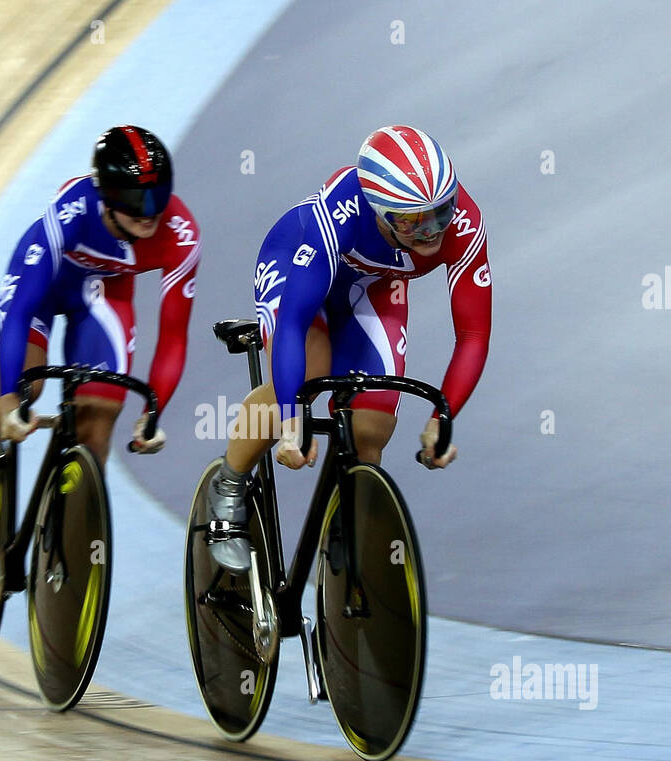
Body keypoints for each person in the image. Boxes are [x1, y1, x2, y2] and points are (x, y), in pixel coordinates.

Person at [205, 124, 491, 572]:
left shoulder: (465, 223)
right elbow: (295, 324)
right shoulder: (339, 212)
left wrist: (443, 418)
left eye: (441, 212)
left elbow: (473, 336)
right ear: (379, 212)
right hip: (296, 260)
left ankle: (343, 537)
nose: (433, 231)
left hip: (371, 284)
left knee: (372, 426)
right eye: (414, 221)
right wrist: (291, 419)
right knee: (307, 376)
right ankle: (229, 485)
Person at [0, 125, 200, 543]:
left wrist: (153, 414)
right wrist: (10, 401)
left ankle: (67, 543)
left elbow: (174, 336)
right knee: (30, 387)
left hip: (102, 294)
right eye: (136, 201)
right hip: (42, 288)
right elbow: (22, 308)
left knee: (97, 422)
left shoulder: (182, 235)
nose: (149, 213)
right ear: (108, 197)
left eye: (158, 197)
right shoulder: (72, 210)